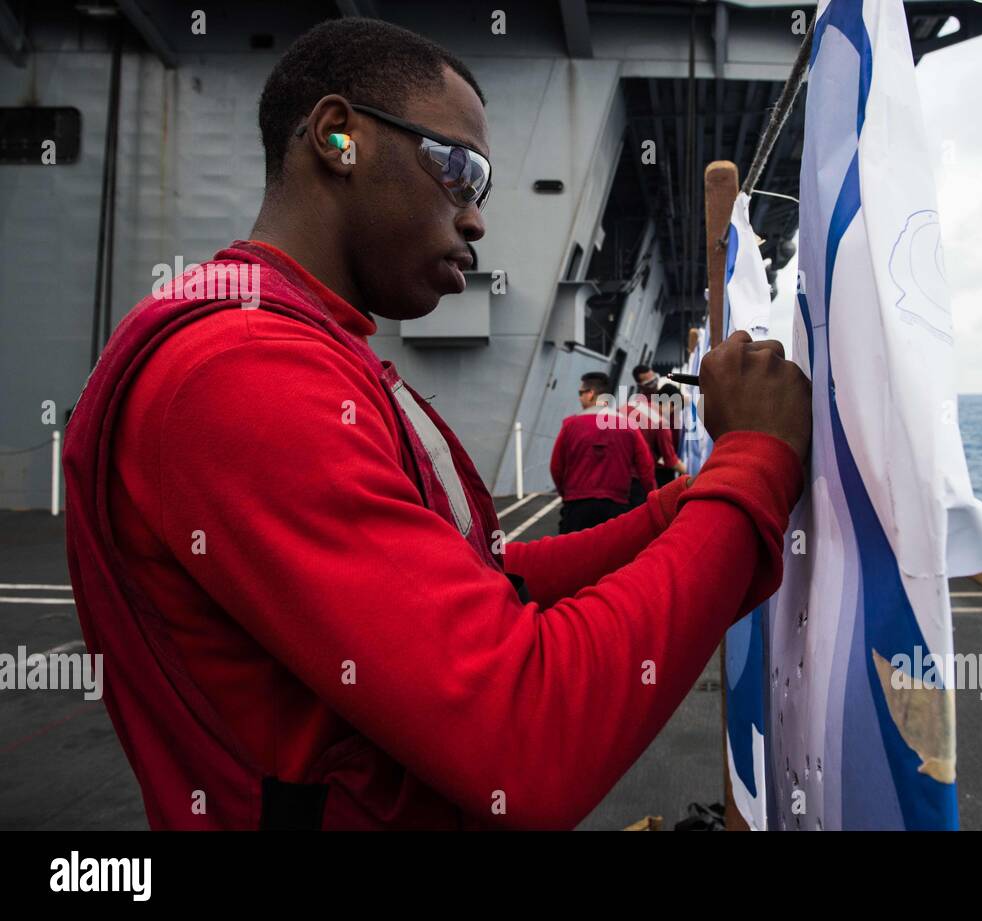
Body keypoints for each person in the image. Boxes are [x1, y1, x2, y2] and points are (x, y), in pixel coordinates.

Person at [62, 18, 811, 830]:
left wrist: (686, 506)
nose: (478, 218)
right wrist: (755, 466)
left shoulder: (304, 351)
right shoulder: (241, 375)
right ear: (337, 138)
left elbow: (491, 580)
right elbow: (525, 735)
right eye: (460, 170)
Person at [550, 371, 656, 533]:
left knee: (572, 554)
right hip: (616, 506)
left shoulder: (570, 425)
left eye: (581, 393)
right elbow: (646, 467)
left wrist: (566, 494)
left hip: (576, 506)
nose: (579, 397)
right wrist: (651, 495)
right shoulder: (628, 426)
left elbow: (556, 467)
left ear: (590, 394)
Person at [623, 390, 687, 506]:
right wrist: (693, 474)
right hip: (634, 480)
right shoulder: (661, 423)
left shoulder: (629, 406)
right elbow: (671, 461)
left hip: (611, 471)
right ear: (671, 404)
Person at [632, 363, 684, 449]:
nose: (655, 384)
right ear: (640, 385)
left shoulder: (665, 393)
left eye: (655, 379)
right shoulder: (642, 406)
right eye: (650, 383)